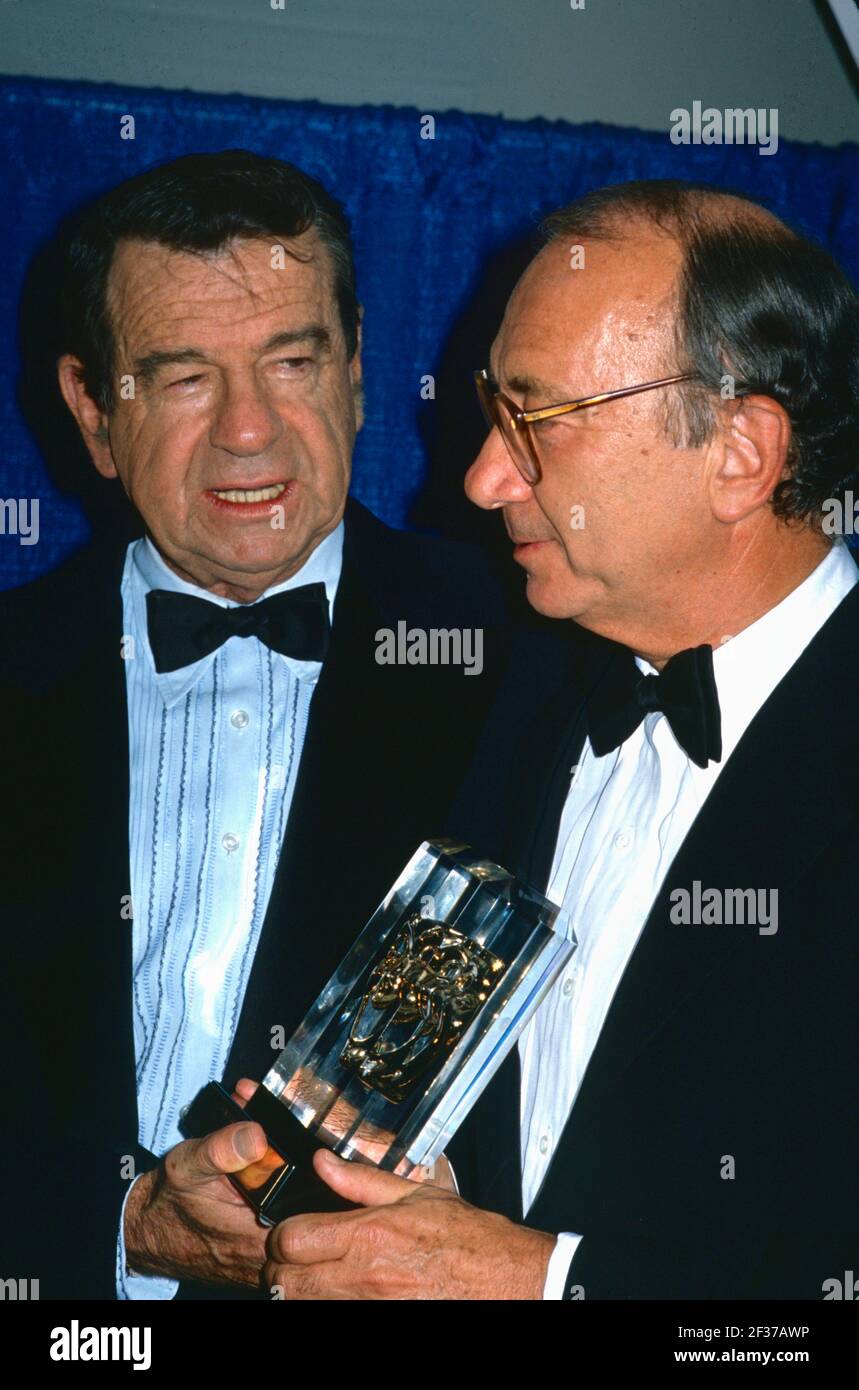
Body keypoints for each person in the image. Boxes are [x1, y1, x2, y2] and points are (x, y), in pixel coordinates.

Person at [256, 179, 859, 1300]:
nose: (483, 478)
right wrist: (286, 1175)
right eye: (493, 414)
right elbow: (424, 1112)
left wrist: (545, 1289)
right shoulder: (521, 689)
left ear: (740, 453)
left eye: (535, 422)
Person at [0, 150, 506, 1299]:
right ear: (92, 411)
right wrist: (115, 1221)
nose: (246, 431)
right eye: (183, 378)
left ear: (359, 370)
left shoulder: (531, 655)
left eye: (290, 362)